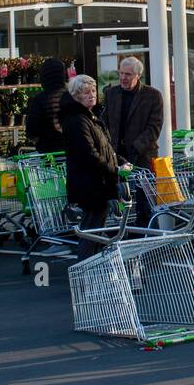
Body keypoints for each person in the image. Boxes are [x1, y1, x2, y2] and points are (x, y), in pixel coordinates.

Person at [61, 74, 124, 259]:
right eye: (86, 92)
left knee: (95, 232)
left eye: (93, 91)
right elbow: (88, 154)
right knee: (91, 233)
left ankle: (90, 272)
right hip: (90, 185)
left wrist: (119, 160)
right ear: (76, 96)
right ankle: (85, 275)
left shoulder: (90, 117)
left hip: (98, 184)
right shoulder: (76, 120)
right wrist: (115, 169)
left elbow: (104, 147)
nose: (92, 95)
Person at [103, 56, 164, 229]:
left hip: (143, 156)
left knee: (146, 203)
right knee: (122, 201)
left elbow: (154, 128)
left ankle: (150, 239)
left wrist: (135, 148)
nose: (123, 78)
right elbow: (105, 123)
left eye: (128, 74)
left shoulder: (153, 96)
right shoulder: (111, 93)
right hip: (117, 156)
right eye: (121, 73)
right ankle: (125, 235)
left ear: (138, 75)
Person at [24, 58, 69, 153]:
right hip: (71, 151)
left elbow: (31, 131)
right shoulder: (72, 97)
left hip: (48, 153)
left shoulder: (39, 100)